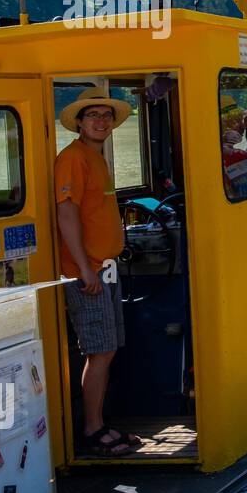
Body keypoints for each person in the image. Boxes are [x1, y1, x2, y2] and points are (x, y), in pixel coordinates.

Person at [54, 86, 142, 457]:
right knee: (99, 351)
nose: (101, 121)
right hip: (86, 272)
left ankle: (100, 423)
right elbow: (66, 213)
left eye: (106, 116)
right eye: (93, 116)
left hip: (104, 268)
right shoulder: (72, 158)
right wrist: (85, 271)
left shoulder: (96, 158)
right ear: (78, 122)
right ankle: (93, 429)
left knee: (107, 349)